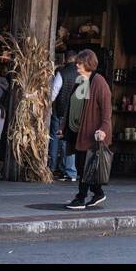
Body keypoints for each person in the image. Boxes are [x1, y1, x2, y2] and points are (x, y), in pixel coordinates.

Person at [65, 50, 112, 209]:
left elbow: (106, 110)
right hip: (79, 131)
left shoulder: (99, 82)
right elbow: (76, 105)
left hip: (93, 133)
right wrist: (64, 127)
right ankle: (98, 193)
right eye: (77, 62)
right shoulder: (82, 80)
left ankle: (80, 198)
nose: (77, 65)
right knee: (82, 166)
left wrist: (103, 129)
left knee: (84, 166)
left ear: (88, 64)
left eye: (80, 63)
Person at [50, 50, 79, 181]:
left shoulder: (62, 72)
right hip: (76, 112)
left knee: (56, 139)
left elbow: (53, 92)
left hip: (61, 110)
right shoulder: (82, 74)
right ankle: (68, 171)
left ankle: (52, 168)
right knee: (70, 141)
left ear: (65, 59)